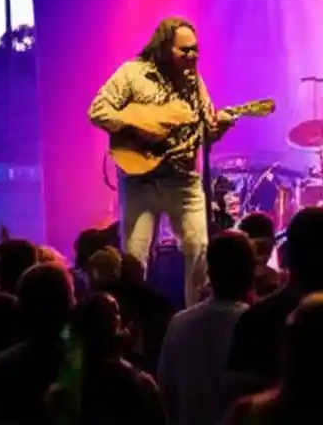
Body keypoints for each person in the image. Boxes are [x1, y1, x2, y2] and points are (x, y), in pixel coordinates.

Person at [88, 16, 235, 306]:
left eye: (195, 49)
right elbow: (98, 111)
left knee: (200, 248)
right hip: (140, 180)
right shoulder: (132, 74)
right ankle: (130, 321)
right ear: (165, 47)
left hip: (183, 181)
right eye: (184, 50)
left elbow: (205, 134)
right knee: (134, 257)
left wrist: (221, 126)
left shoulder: (195, 85)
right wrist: (141, 123)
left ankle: (195, 316)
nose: (192, 56)